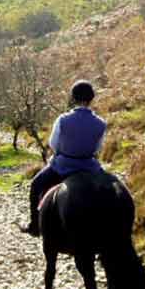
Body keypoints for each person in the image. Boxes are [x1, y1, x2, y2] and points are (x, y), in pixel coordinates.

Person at [21, 80, 107, 237]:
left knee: (35, 185)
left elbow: (53, 144)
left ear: (73, 98)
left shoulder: (62, 119)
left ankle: (35, 225)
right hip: (89, 167)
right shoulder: (101, 123)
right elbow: (97, 149)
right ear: (91, 99)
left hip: (62, 166)